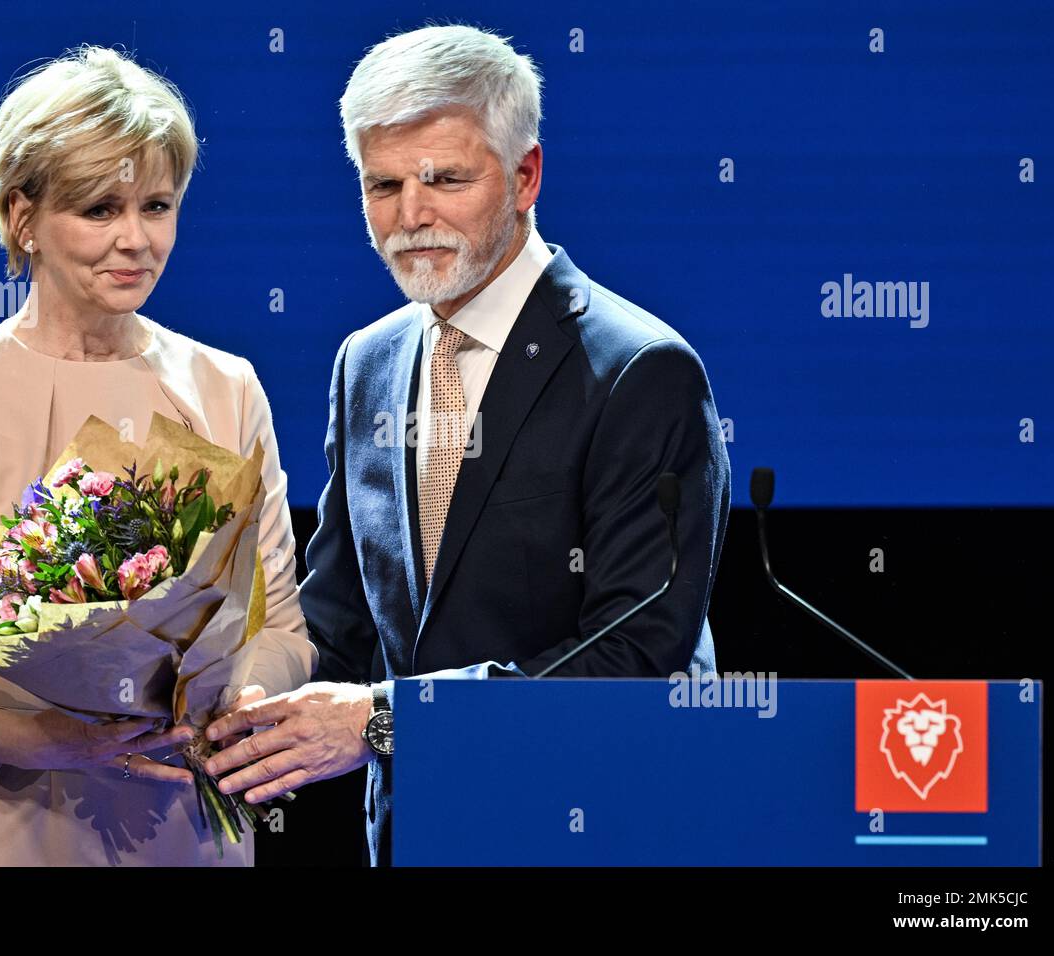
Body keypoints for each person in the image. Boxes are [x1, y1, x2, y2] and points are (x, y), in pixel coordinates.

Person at [203, 25, 732, 867]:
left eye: (445, 179)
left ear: (526, 176)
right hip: (416, 838)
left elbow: (638, 654)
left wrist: (387, 720)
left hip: (595, 831)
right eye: (383, 185)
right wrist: (201, 699)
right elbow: (338, 623)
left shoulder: (640, 370)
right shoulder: (364, 363)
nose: (411, 216)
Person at [0, 45, 316, 866]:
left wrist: (236, 700)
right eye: (98, 210)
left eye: (157, 206)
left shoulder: (228, 388)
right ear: (23, 216)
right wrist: (28, 737)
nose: (135, 240)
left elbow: (283, 629)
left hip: (184, 827)